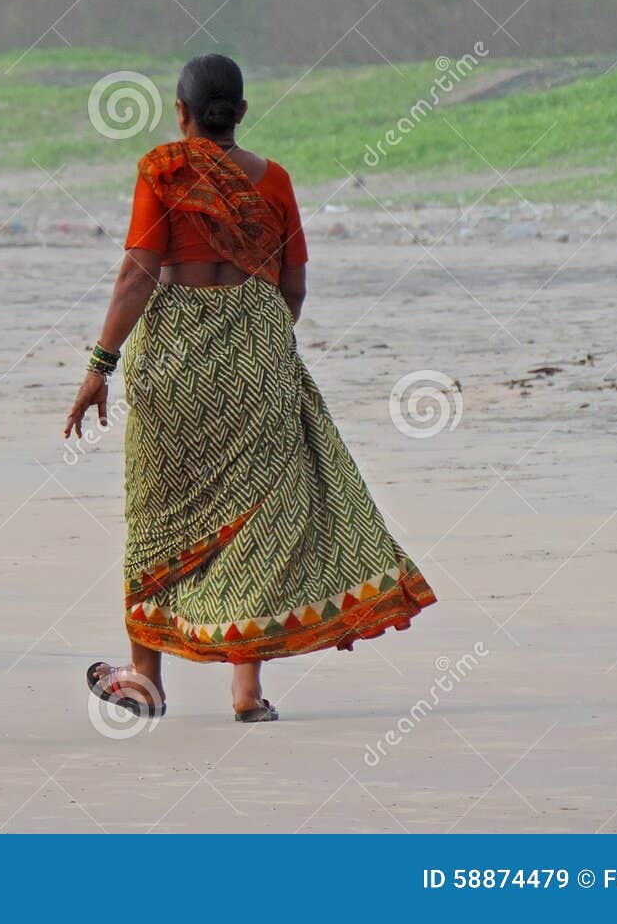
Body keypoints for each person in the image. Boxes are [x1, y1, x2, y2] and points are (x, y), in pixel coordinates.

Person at [64, 54, 435, 722]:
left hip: (172, 356)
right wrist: (257, 339)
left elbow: (138, 274)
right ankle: (246, 692)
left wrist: (100, 364)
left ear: (180, 113)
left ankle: (145, 680)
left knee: (157, 512)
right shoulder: (277, 181)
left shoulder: (164, 170)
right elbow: (293, 287)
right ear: (239, 112)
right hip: (257, 351)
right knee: (255, 516)